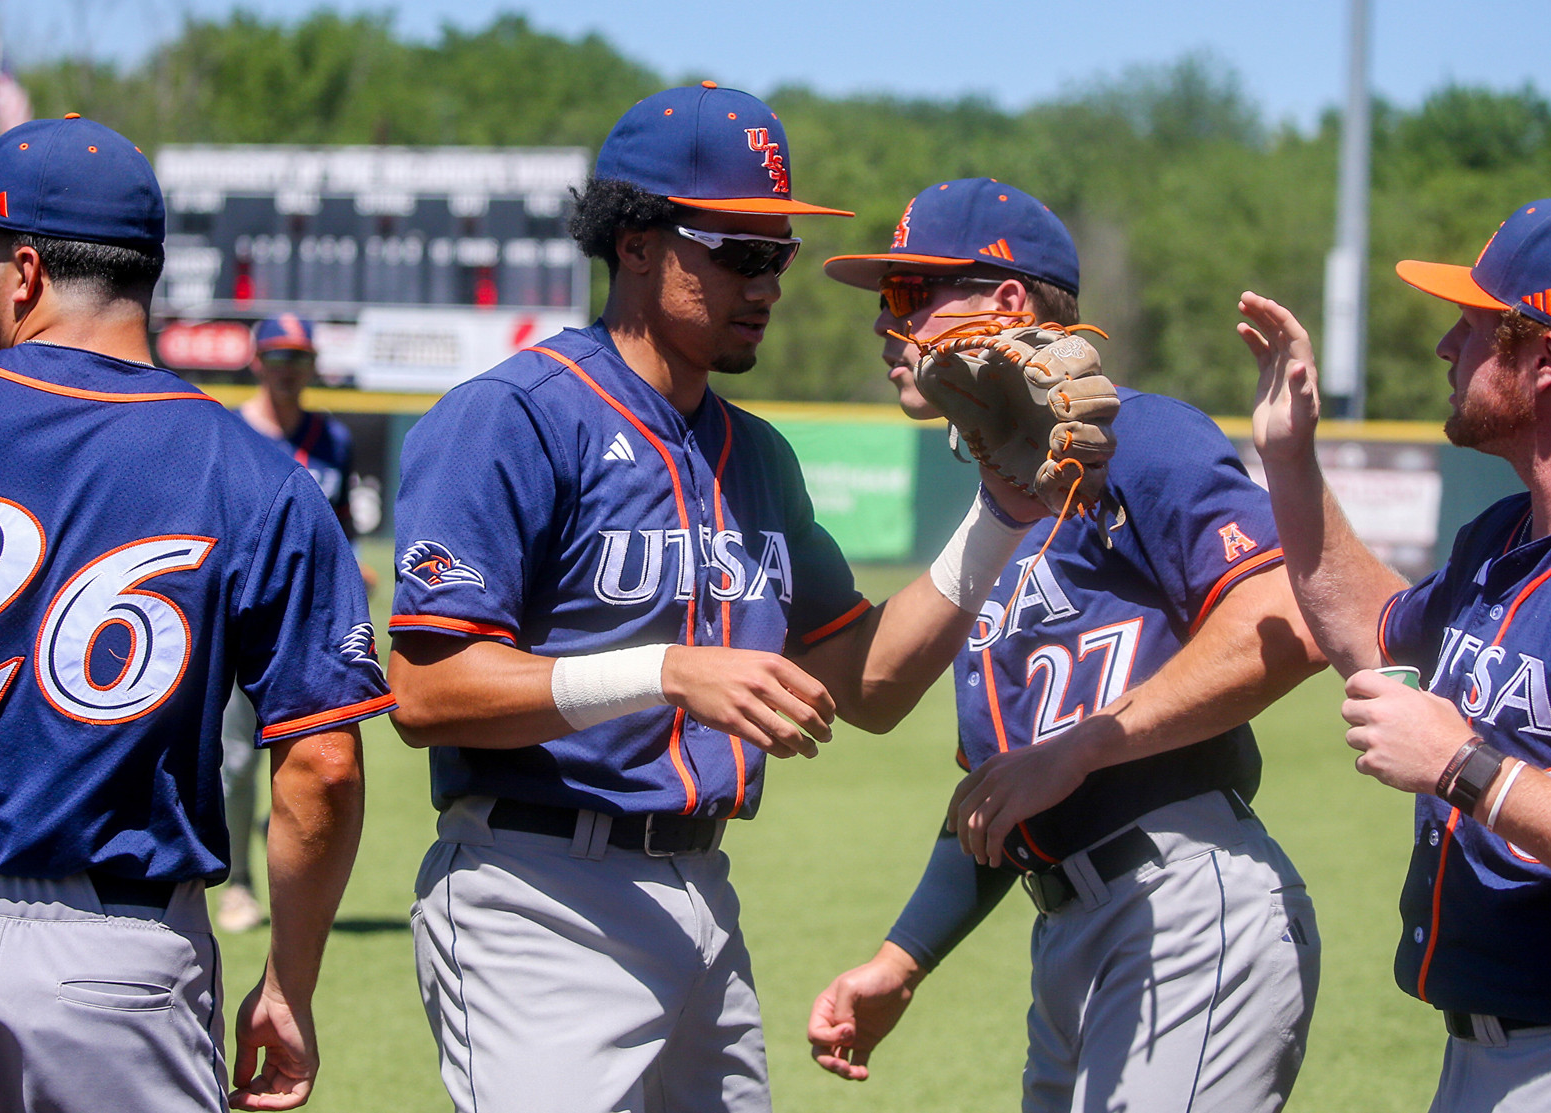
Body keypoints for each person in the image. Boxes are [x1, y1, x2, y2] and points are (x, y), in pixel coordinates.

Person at [390, 86, 1059, 1113]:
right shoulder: (514, 417)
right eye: (739, 251)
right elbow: (426, 691)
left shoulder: (758, 456)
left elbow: (868, 687)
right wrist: (662, 673)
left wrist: (1000, 516)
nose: (768, 282)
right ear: (636, 243)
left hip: (703, 893)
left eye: (779, 252)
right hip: (538, 891)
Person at [0, 114, 390, 1112]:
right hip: (121, 968)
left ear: (24, 272)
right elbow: (323, 763)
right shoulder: (257, 474)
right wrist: (289, 984)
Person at [806, 178, 1326, 1112]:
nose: (887, 323)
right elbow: (1001, 794)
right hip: (1070, 930)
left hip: (1180, 899)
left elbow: (1285, 623)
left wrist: (1081, 749)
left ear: (1007, 300)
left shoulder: (1140, 434)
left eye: (909, 293)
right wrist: (903, 957)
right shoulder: (1001, 504)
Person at [1243, 198, 1551, 1111]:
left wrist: (1464, 766)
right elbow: (1374, 637)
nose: (1448, 347)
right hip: (1503, 1051)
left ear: (1548, 358)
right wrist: (1290, 460)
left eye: (1476, 326)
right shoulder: (1505, 532)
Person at [216, 312, 365, 934]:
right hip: (239, 623)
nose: (288, 369)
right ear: (257, 362)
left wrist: (354, 569)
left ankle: (296, 894)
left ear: (312, 365)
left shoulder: (332, 439)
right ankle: (237, 883)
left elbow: (342, 528)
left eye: (298, 357)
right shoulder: (228, 432)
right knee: (235, 763)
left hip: (308, 629)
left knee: (313, 761)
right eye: (277, 357)